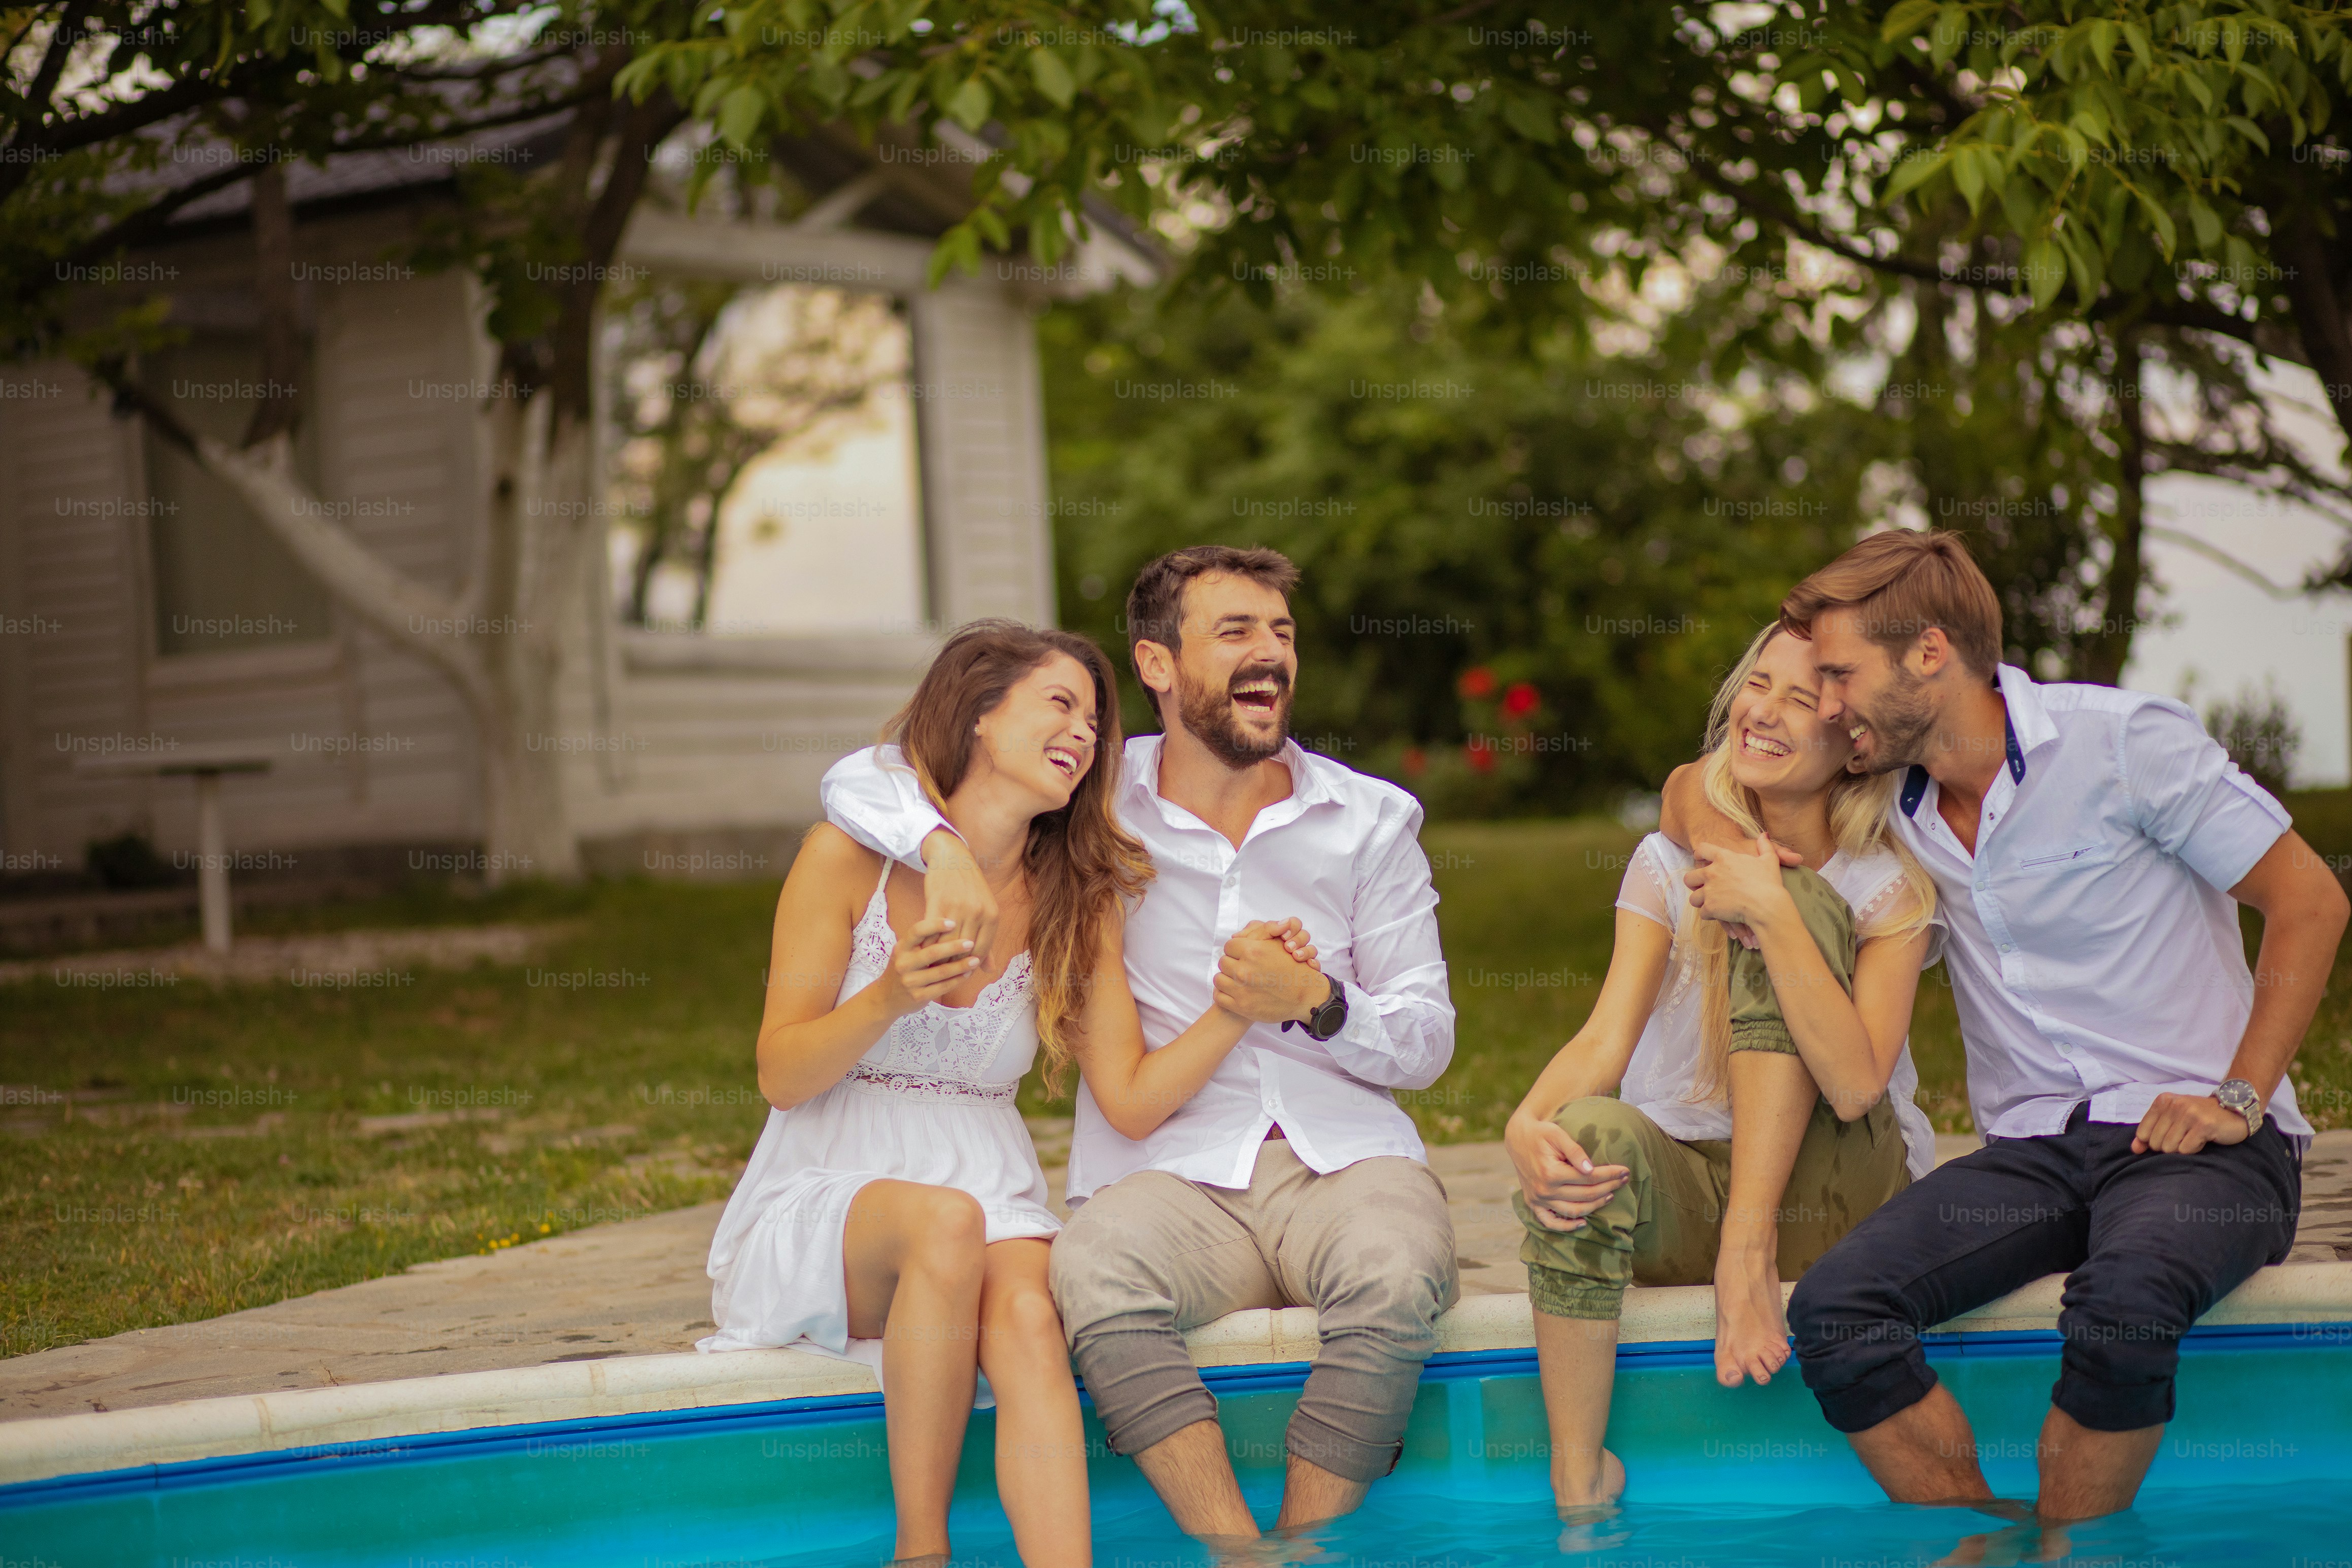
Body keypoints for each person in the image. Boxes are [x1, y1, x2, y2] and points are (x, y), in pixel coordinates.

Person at [1664, 529, 2347, 1530]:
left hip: (2197, 1148)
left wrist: (2235, 1098)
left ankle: (2074, 1551)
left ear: (1927, 655)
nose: (1830, 702)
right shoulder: (1885, 805)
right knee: (1836, 1312)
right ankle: (1990, 1542)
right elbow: (1697, 786)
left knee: (2119, 1308)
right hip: (2029, 1156)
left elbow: (2309, 901)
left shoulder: (2122, 745)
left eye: (1842, 674)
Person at [822, 546, 1458, 1550]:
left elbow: (1425, 1040)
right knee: (1094, 1278)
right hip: (1166, 1176)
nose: (1269, 656)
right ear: (1156, 666)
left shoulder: (1370, 820)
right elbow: (864, 776)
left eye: (1281, 634)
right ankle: (1231, 1548)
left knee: (1397, 1273)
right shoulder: (1092, 800)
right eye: (1235, 633)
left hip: (1341, 1161)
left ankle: (1298, 1542)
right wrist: (941, 848)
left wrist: (1318, 1003)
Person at [701, 620, 1169, 1568]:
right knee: (946, 1226)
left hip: (984, 1175)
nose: (1084, 730)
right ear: (982, 716)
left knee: (1032, 1314)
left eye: (1095, 717)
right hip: (830, 1182)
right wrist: (888, 995)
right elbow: (780, 1073)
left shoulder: (1075, 897)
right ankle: (923, 1553)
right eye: (1060, 703)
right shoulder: (846, 859)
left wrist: (1251, 1010)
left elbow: (1127, 1091)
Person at [1507, 622, 1942, 1515]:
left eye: (1801, 700)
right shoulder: (1669, 860)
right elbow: (1604, 1038)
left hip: (1839, 1200)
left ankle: (1748, 1252)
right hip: (1698, 1184)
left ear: (1852, 744)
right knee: (1586, 1137)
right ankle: (1579, 1478)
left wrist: (1774, 913)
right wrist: (1527, 1121)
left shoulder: (1883, 883)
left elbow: (1861, 1085)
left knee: (1793, 901)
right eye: (1758, 684)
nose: (1765, 712)